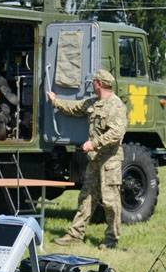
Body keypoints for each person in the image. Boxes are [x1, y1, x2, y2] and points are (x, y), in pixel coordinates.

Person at [47, 69, 128, 249]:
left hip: (110, 161)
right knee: (86, 197)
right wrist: (55, 101)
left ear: (99, 84)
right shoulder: (93, 103)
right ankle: (75, 234)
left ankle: (111, 239)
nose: (92, 84)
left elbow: (116, 133)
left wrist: (94, 143)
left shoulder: (116, 106)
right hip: (95, 160)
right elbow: (75, 107)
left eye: (94, 82)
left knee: (110, 201)